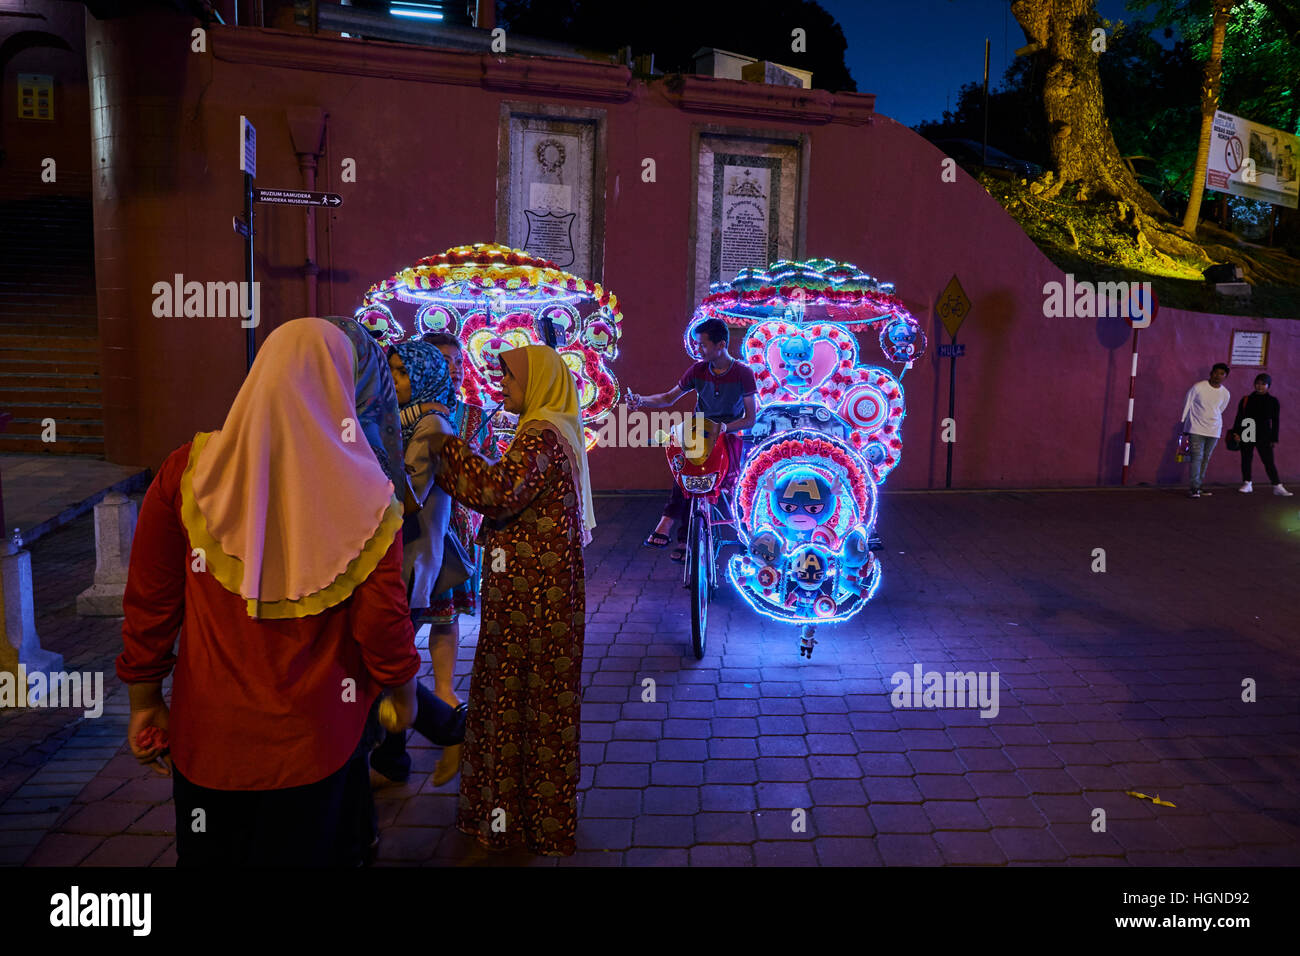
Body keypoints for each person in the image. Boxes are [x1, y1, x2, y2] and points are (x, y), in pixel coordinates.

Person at [117, 317, 422, 867]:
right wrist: (404, 692)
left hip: (208, 738)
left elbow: (151, 599)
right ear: (348, 384)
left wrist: (144, 699)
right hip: (317, 742)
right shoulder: (371, 496)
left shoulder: (188, 472)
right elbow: (380, 625)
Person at [422, 344, 592, 856]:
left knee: (523, 702)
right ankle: (529, 819)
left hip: (533, 600)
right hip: (538, 591)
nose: (503, 388)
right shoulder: (547, 429)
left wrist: (443, 443)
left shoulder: (540, 435)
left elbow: (497, 490)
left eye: (511, 380)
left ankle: (515, 822)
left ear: (537, 384)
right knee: (532, 703)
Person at [367, 341, 469, 784]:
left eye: (401, 372)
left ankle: (447, 734)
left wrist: (370, 452)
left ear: (425, 376)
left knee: (384, 667)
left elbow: (408, 500)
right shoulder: (402, 421)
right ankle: (393, 760)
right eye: (389, 370)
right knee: (384, 668)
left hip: (408, 562)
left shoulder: (431, 426)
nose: (392, 380)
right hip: (390, 561)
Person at [410, 331, 495, 785]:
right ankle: (408, 701)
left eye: (459, 361)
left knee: (446, 616)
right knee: (406, 619)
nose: (456, 368)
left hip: (457, 528)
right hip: (417, 529)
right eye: (444, 360)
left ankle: (443, 688)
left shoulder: (474, 417)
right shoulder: (402, 416)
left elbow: (492, 468)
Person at [627, 317, 757, 561]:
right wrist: (641, 400)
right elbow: (668, 398)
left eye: (702, 345)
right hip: (700, 434)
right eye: (696, 344)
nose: (697, 349)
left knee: (700, 471)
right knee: (686, 466)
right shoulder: (698, 370)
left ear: (721, 345)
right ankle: (681, 533)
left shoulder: (743, 373)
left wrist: (723, 428)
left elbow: (750, 419)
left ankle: (677, 529)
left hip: (728, 436)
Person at [1232, 372, 1292, 496]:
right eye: (1257, 383)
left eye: (1263, 384)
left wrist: (1274, 438)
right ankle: (1247, 483)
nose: (1259, 386)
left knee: (1268, 461)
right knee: (1246, 459)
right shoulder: (1246, 399)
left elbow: (1275, 420)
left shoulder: (1273, 401)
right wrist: (1236, 432)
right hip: (1247, 430)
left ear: (1268, 385)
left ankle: (1277, 486)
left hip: (1264, 433)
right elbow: (1239, 417)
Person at [1181, 362, 1231, 498]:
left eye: (1222, 374)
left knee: (1205, 458)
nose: (1218, 376)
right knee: (1197, 457)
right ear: (1211, 373)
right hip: (1196, 429)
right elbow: (1187, 403)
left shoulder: (1225, 393)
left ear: (1225, 377)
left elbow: (1220, 410)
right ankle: (1194, 488)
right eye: (1216, 372)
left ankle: (1199, 485)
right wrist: (1184, 424)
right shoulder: (1198, 387)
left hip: (1214, 430)